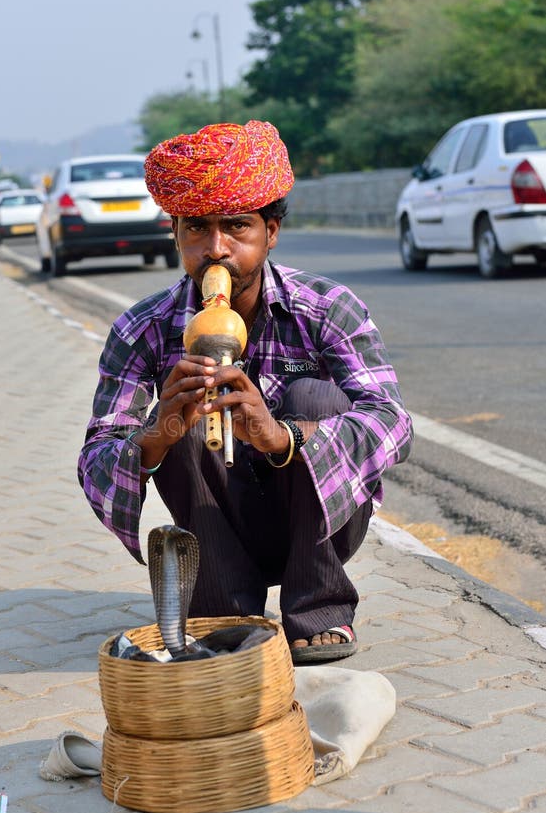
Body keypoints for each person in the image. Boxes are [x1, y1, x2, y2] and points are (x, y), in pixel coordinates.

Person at [78, 120, 413, 664]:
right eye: (196, 229)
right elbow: (96, 455)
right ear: (175, 233)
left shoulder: (328, 308)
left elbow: (393, 422)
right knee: (182, 414)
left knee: (316, 399)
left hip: (318, 521)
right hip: (218, 531)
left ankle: (319, 608)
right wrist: (161, 430)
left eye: (236, 227)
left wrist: (283, 438)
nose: (216, 249)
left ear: (270, 231)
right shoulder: (140, 329)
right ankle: (225, 611)